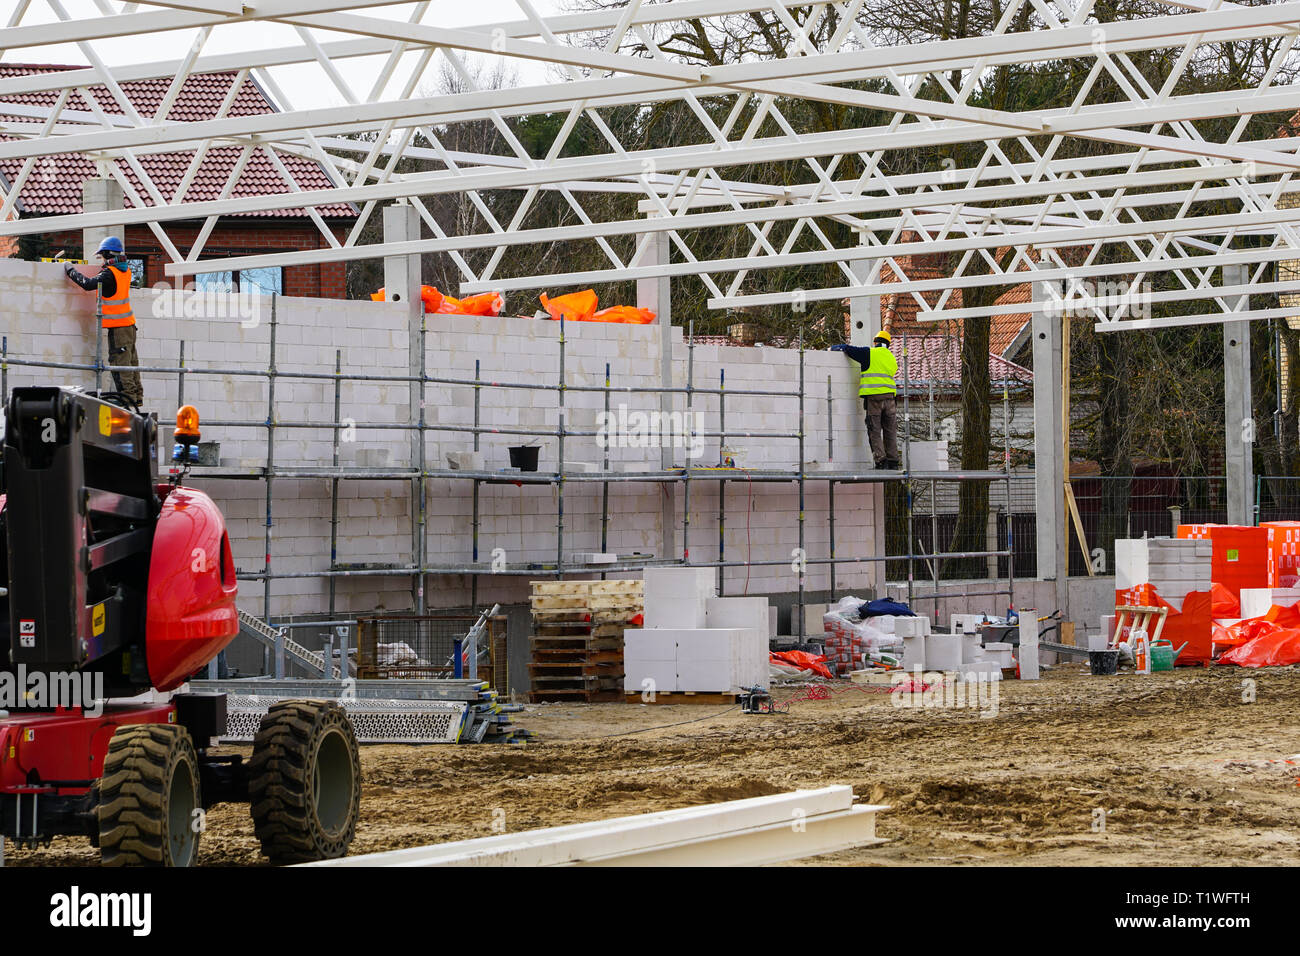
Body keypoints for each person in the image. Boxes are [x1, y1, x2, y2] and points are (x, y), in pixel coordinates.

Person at [64, 236, 143, 406]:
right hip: (129, 325)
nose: (102, 260)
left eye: (102, 257)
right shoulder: (125, 270)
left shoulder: (109, 274)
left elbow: (88, 284)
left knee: (120, 365)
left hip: (118, 327)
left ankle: (127, 400)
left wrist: (71, 271)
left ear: (108, 254)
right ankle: (136, 397)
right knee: (131, 363)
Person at [831, 330, 899, 469]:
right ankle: (893, 462)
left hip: (874, 398)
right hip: (890, 398)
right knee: (890, 430)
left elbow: (848, 349)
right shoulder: (891, 357)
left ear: (876, 342)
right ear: (888, 344)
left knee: (874, 430)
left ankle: (881, 461)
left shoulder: (870, 353)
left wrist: (833, 348)